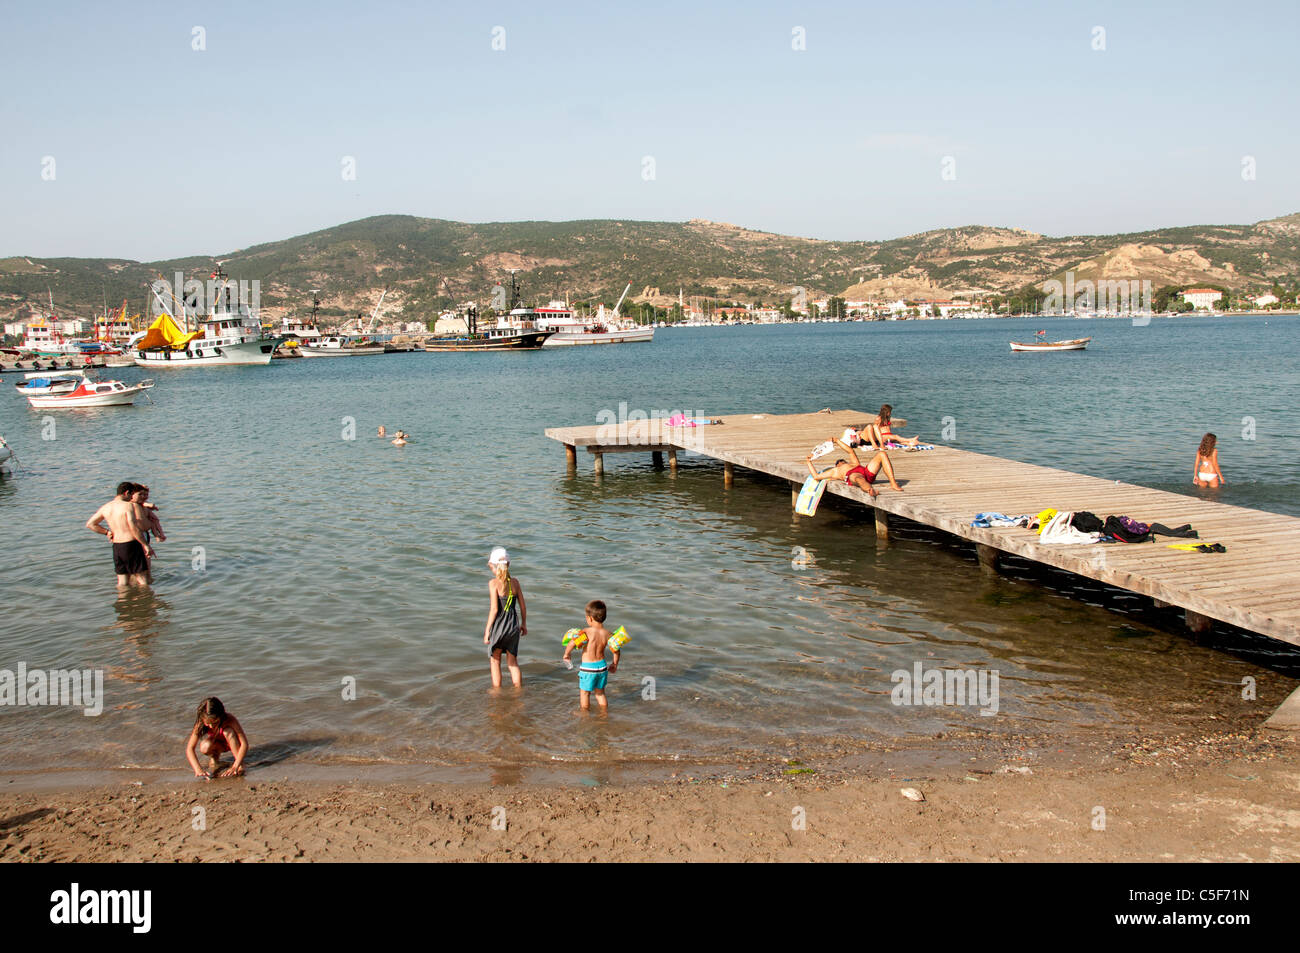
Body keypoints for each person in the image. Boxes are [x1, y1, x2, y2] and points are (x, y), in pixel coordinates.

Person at [85, 482, 155, 588]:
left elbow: (90, 524)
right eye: (131, 495)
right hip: (131, 544)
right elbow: (133, 527)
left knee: (122, 581)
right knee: (142, 579)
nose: (132, 498)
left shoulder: (106, 507)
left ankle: (123, 602)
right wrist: (145, 545)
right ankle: (145, 601)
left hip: (117, 546)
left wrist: (107, 532)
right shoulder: (128, 506)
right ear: (127, 493)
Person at [562, 600, 620, 711]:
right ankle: (604, 713)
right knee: (600, 694)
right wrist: (614, 664)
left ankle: (584, 714)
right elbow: (616, 650)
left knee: (584, 693)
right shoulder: (608, 634)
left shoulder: (586, 632)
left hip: (588, 669)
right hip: (602, 667)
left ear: (590, 618)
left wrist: (566, 654)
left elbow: (572, 643)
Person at [483, 546, 526, 687]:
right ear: (509, 564)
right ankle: (518, 689)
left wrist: (487, 631)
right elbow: (523, 607)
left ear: (493, 566)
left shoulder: (493, 583)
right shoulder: (515, 582)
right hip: (513, 625)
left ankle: (496, 691)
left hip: (499, 626)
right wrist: (523, 624)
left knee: (495, 660)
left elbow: (494, 609)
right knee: (513, 662)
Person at [805, 438, 902, 499]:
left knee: (882, 454)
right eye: (839, 462)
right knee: (859, 478)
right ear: (837, 465)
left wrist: (837, 440)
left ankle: (893, 483)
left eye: (842, 461)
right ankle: (870, 490)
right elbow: (816, 476)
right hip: (853, 476)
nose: (841, 462)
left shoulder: (854, 463)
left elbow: (850, 451)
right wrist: (809, 462)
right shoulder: (835, 471)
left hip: (866, 472)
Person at [184, 696, 249, 779]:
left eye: (215, 723)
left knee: (228, 732)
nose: (211, 726)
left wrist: (235, 765)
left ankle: (240, 764)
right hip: (218, 744)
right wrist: (198, 769)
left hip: (233, 743)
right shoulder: (200, 723)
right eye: (208, 723)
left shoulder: (229, 719)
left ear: (221, 716)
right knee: (205, 746)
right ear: (203, 719)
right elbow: (190, 748)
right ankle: (215, 759)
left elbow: (244, 743)